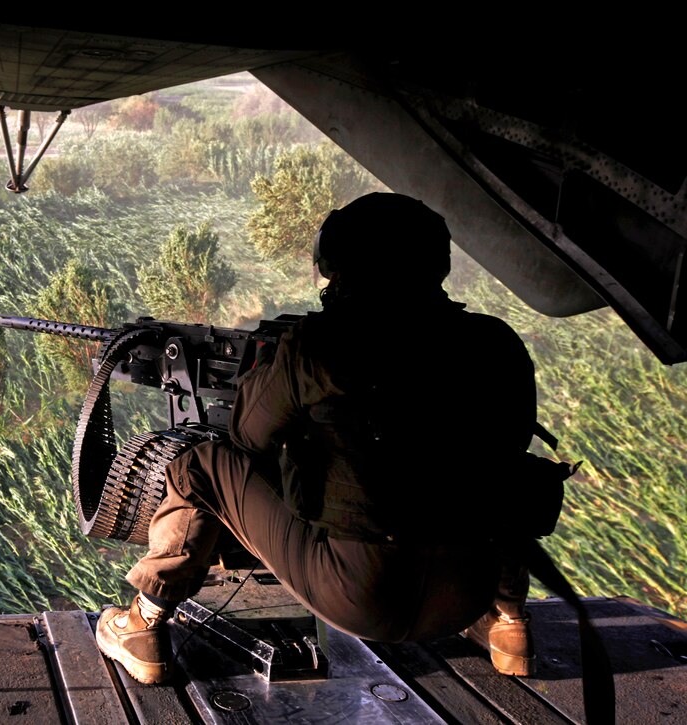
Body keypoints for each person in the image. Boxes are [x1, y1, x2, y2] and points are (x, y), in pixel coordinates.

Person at [95, 192, 542, 685]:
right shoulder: (497, 343)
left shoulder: (321, 344)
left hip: (361, 597)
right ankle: (509, 624)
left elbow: (246, 437)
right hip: (465, 593)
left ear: (343, 266)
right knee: (502, 468)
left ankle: (141, 624)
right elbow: (510, 450)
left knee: (201, 465)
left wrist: (281, 387)